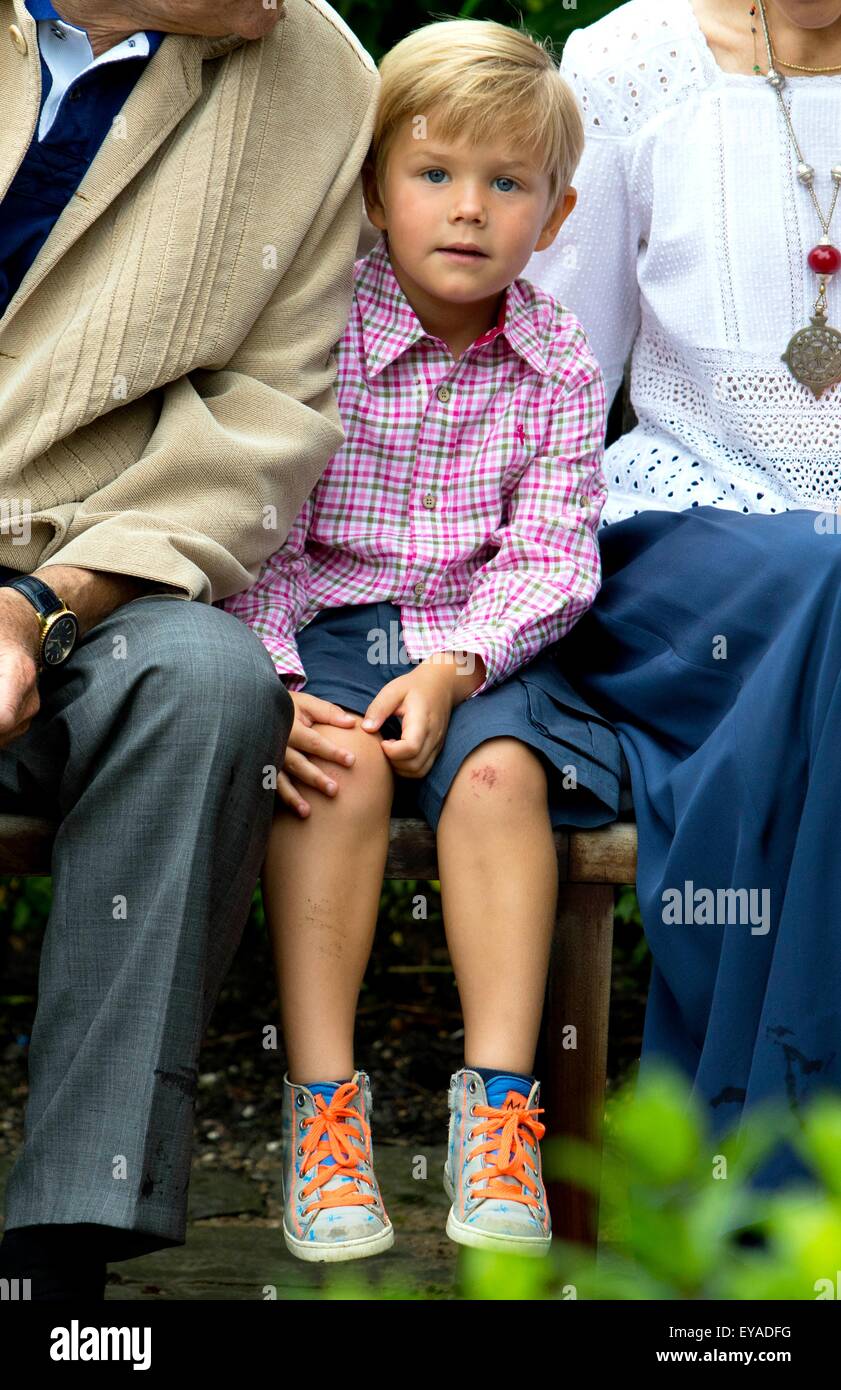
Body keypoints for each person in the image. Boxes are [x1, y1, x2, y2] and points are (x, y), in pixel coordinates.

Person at [221, 17, 620, 1262]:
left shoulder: (553, 354)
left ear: (553, 219)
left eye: (508, 185)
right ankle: (326, 1119)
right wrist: (283, 677)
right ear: (374, 186)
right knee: (328, 775)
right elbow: (255, 522)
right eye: (435, 174)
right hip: (323, 630)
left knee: (502, 780)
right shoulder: (317, 325)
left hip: (482, 646)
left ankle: (501, 1114)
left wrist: (455, 668)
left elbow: (553, 554)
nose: (467, 211)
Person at [0, 0, 378, 1300]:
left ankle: (60, 1254)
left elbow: (268, 416)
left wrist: (37, 607)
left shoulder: (321, 73)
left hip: (88, 577)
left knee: (209, 687)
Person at [524, 0, 841, 1203]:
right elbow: (553, 372)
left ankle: (749, 1203)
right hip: (677, 549)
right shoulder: (630, 63)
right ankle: (775, 1206)